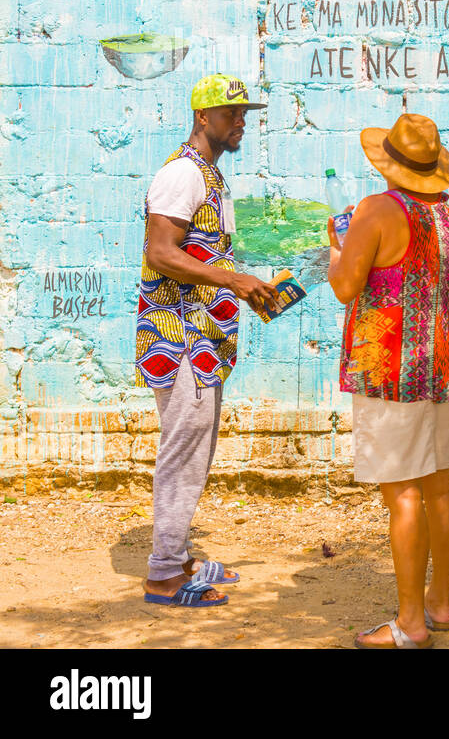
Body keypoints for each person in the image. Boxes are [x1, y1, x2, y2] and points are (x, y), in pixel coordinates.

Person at [329, 113, 449, 649]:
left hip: (388, 372)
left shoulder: (376, 211)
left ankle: (410, 623)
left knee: (402, 493)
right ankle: (439, 603)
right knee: (438, 483)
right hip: (441, 364)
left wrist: (337, 242)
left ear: (387, 163)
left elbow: (345, 287)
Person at [138, 74, 278, 609]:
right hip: (177, 342)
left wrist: (245, 289)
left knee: (195, 452)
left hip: (200, 340)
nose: (241, 121)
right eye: (231, 113)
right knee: (183, 454)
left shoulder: (207, 174)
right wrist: (232, 281)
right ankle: (164, 577)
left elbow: (199, 256)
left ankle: (178, 556)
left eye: (244, 113)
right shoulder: (181, 174)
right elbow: (161, 252)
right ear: (203, 117)